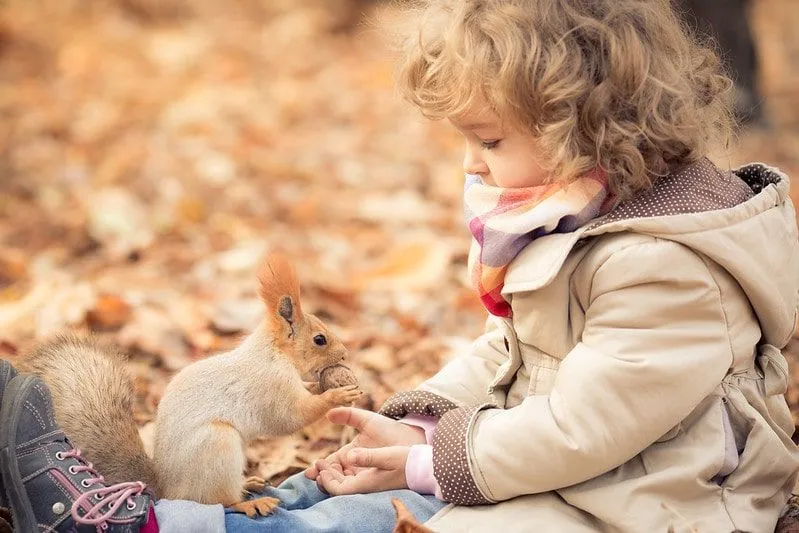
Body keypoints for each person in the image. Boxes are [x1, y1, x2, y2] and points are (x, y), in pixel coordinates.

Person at [3, 0, 799, 531]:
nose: (474, 167)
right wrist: (422, 417)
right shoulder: (593, 218)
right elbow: (517, 352)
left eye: (489, 142)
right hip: (583, 475)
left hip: (645, 506)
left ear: (586, 129)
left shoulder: (665, 269)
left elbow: (583, 424)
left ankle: (137, 525)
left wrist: (432, 460)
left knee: (380, 519)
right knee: (349, 489)